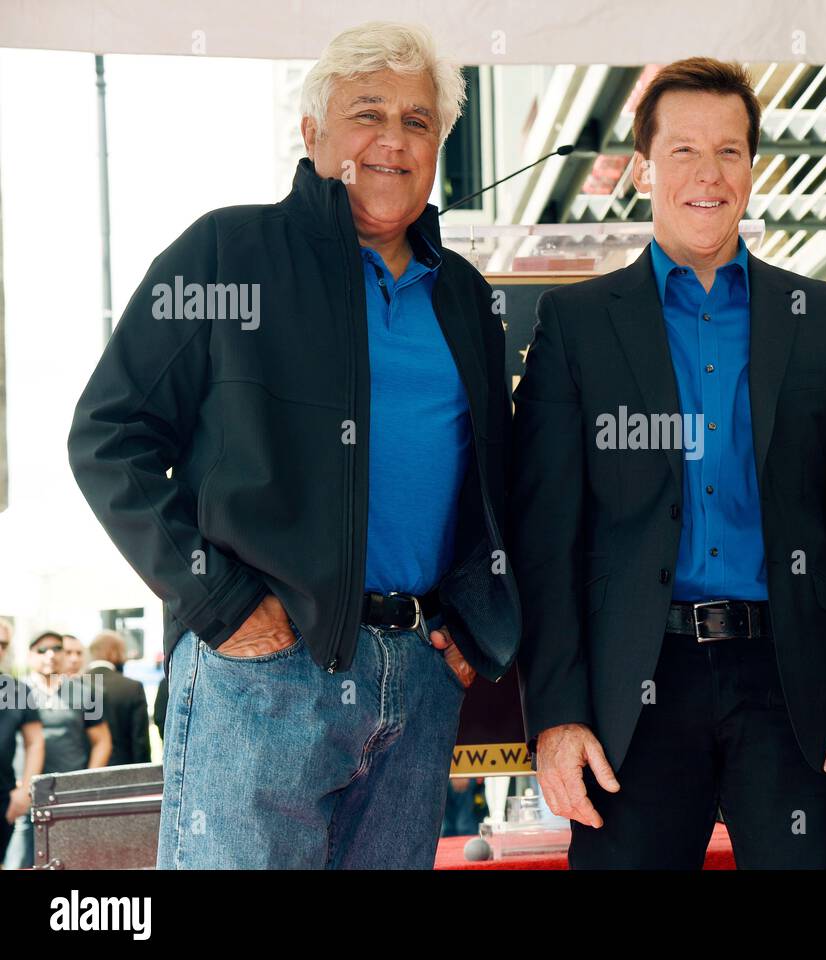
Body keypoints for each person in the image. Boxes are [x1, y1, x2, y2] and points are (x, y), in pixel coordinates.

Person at [67, 21, 519, 869]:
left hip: (415, 680)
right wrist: (219, 603)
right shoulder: (225, 252)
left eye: (418, 121)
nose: (392, 139)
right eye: (367, 113)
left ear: (439, 149)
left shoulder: (463, 296)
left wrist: (468, 616)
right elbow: (108, 436)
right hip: (262, 674)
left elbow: (495, 481)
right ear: (312, 134)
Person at [511, 58, 826, 869]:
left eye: (730, 152)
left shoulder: (825, 320)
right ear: (644, 167)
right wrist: (555, 716)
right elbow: (544, 538)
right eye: (685, 151)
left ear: (754, 170)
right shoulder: (576, 326)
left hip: (794, 687)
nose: (709, 173)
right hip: (634, 696)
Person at [3, 632, 109, 869]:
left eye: (56, 648)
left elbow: (102, 740)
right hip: (25, 789)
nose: (50, 655)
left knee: (71, 856)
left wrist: (87, 779)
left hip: (68, 790)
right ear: (29, 655)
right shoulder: (13, 692)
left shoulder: (86, 691)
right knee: (18, 858)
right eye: (41, 650)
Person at [0, 620, 44, 869]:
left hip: (2, 797)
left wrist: (25, 791)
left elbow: (35, 741)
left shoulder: (17, 691)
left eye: (2, 644)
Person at [86, 631, 153, 766]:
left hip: (84, 772)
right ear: (113, 652)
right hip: (124, 771)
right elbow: (140, 741)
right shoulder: (132, 687)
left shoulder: (75, 687)